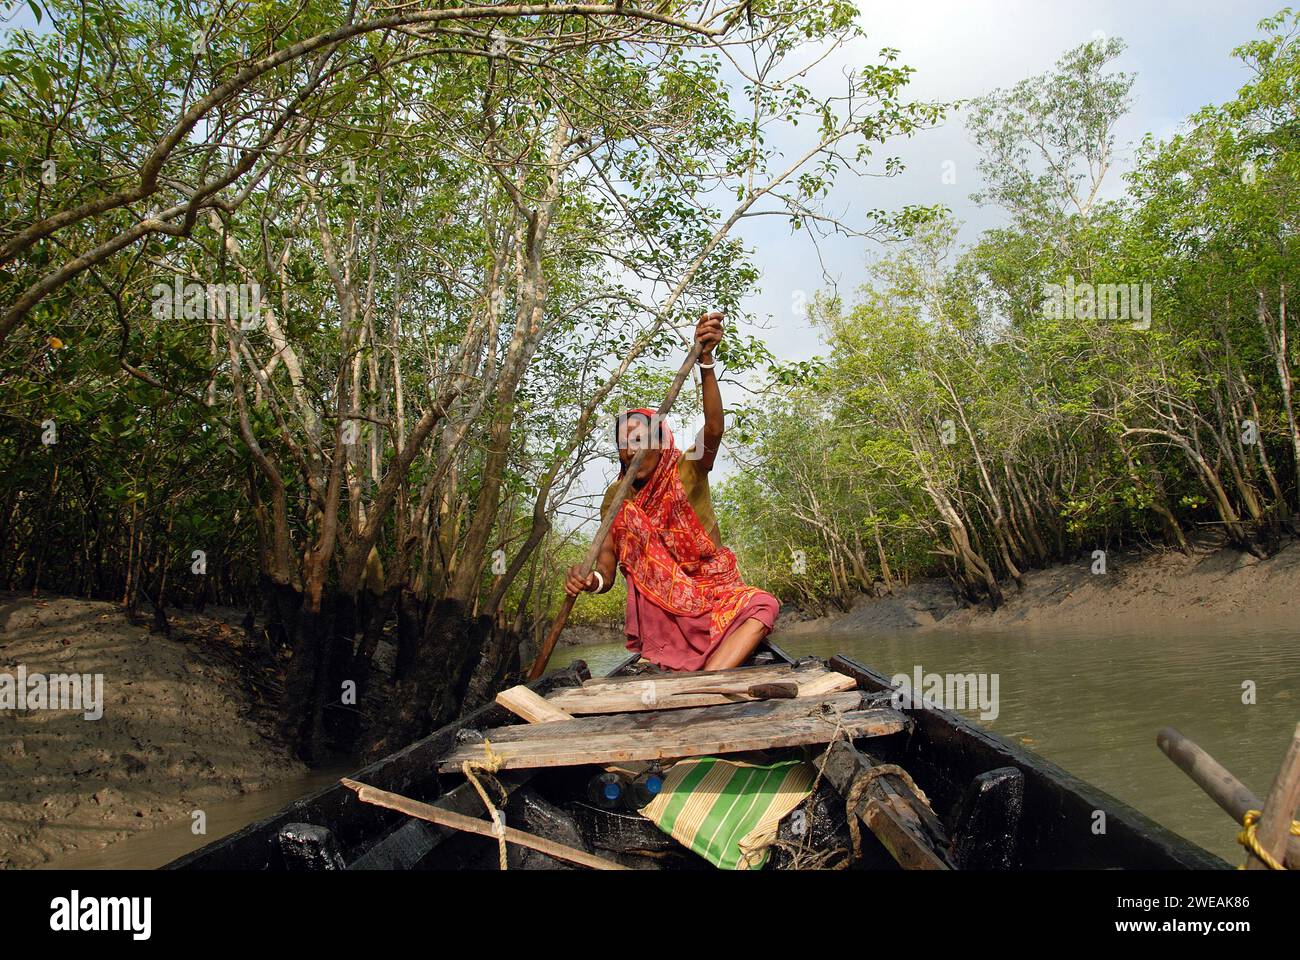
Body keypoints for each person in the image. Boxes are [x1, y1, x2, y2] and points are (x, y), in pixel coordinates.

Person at [564, 312, 780, 671]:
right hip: (664, 614)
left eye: (638, 439)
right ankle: (677, 656)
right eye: (623, 444)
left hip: (713, 592)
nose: (629, 451)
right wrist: (589, 580)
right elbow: (606, 566)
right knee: (628, 520)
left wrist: (705, 361)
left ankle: (709, 679)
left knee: (763, 605)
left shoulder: (688, 467)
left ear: (661, 442)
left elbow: (713, 428)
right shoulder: (617, 497)